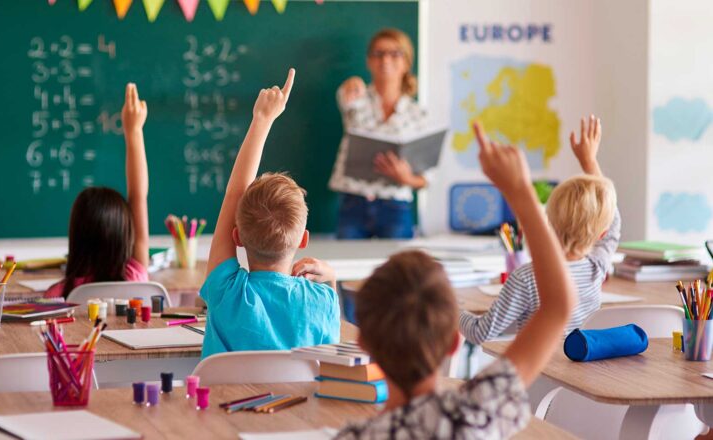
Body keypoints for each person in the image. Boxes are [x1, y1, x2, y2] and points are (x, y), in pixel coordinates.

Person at [335, 121, 577, 439]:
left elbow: (557, 307)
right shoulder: (477, 412)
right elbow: (558, 306)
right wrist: (521, 193)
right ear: (454, 341)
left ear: (362, 344)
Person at [200, 69, 341, 358]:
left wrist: (261, 120)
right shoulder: (322, 301)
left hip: (222, 404)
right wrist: (331, 279)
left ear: (236, 236)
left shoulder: (228, 294)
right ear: (303, 239)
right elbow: (329, 358)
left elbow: (233, 194)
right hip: (299, 405)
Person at [460, 115, 621, 344]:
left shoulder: (527, 277)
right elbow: (613, 222)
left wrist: (451, 308)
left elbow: (480, 333)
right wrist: (589, 161)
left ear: (549, 219)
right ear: (601, 234)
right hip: (578, 376)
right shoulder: (597, 268)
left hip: (537, 375)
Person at [45, 83, 150, 298]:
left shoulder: (59, 295)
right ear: (126, 234)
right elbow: (138, 196)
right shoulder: (135, 277)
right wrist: (134, 131)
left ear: (76, 235)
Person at [329, 28, 429, 239]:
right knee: (348, 268)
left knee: (398, 271)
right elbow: (344, 96)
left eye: (395, 54)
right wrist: (351, 84)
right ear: (369, 61)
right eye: (378, 53)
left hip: (396, 206)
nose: (385, 60)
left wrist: (406, 178)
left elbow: (426, 178)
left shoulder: (418, 114)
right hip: (353, 202)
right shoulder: (356, 98)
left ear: (406, 63)